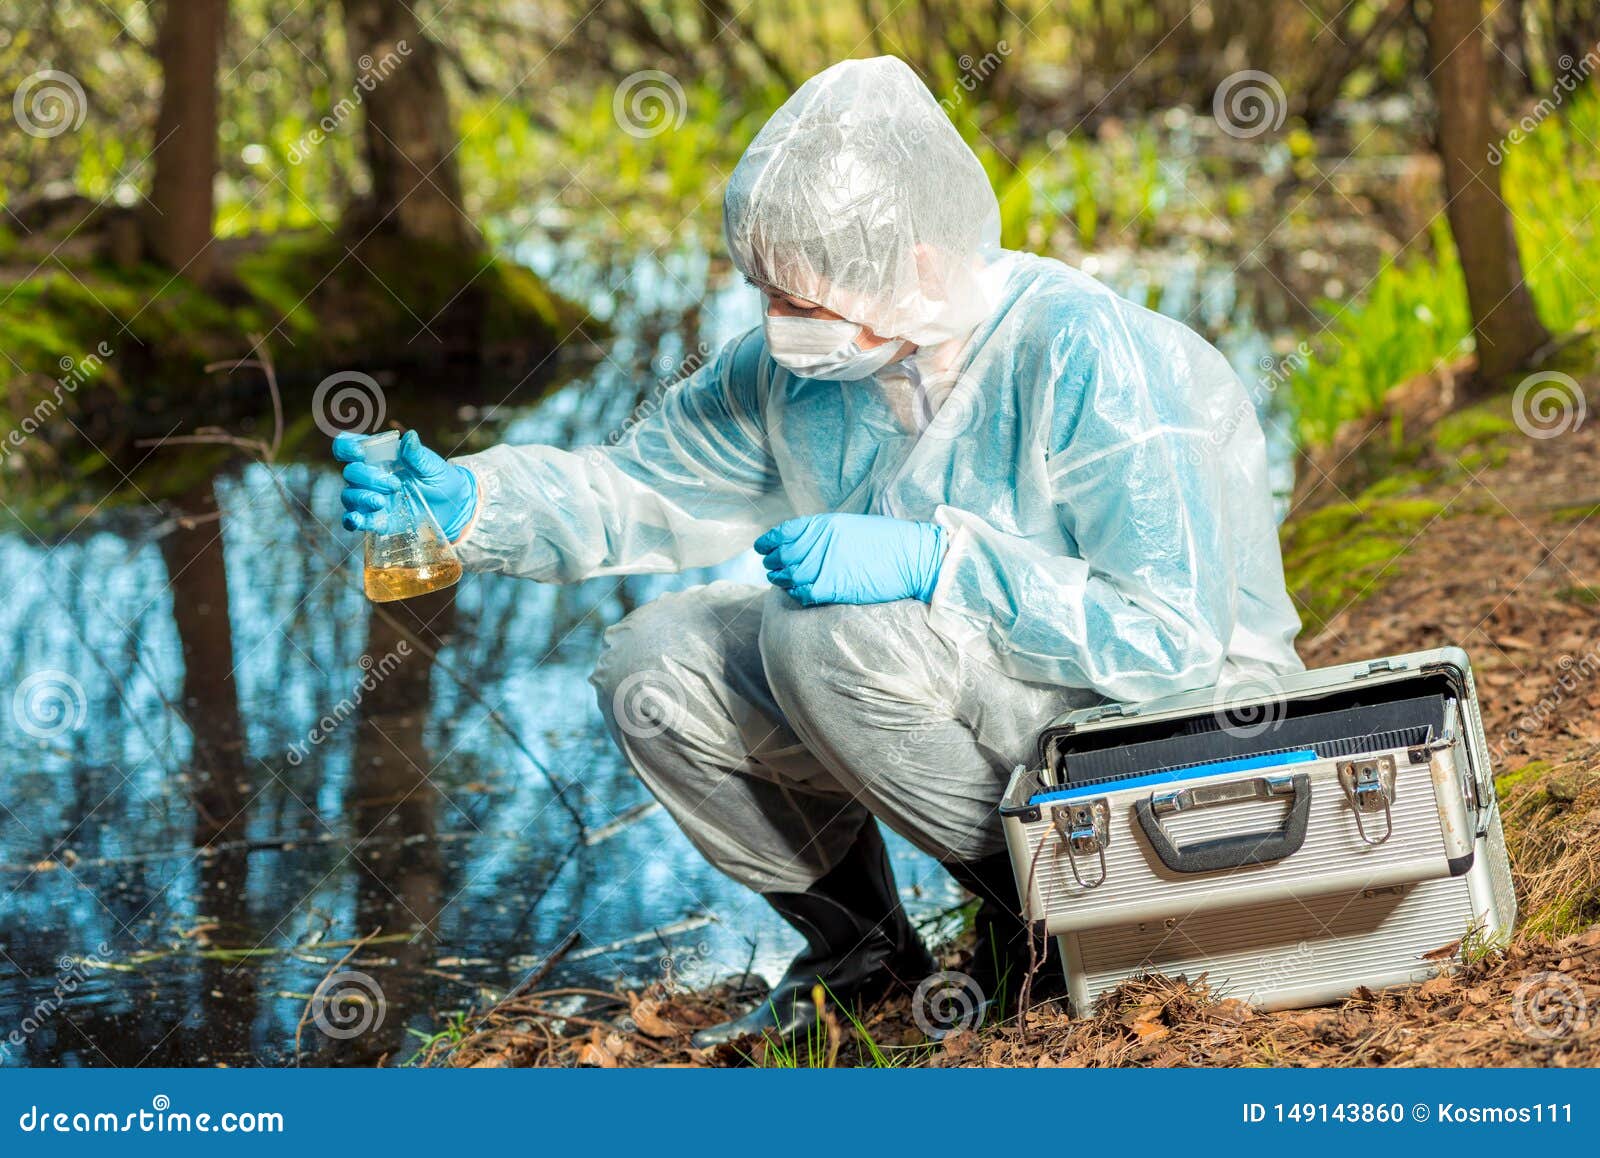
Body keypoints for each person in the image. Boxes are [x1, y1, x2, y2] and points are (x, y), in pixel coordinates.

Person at [334, 56, 1303, 1047]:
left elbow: (1169, 637)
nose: (776, 326)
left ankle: (1047, 920)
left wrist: (937, 563)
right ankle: (863, 958)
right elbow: (637, 488)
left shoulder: (1089, 353)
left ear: (921, 263)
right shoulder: (793, 371)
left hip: (1170, 718)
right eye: (765, 291)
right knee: (653, 668)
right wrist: (472, 501)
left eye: (803, 300)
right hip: (949, 685)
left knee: (820, 634)